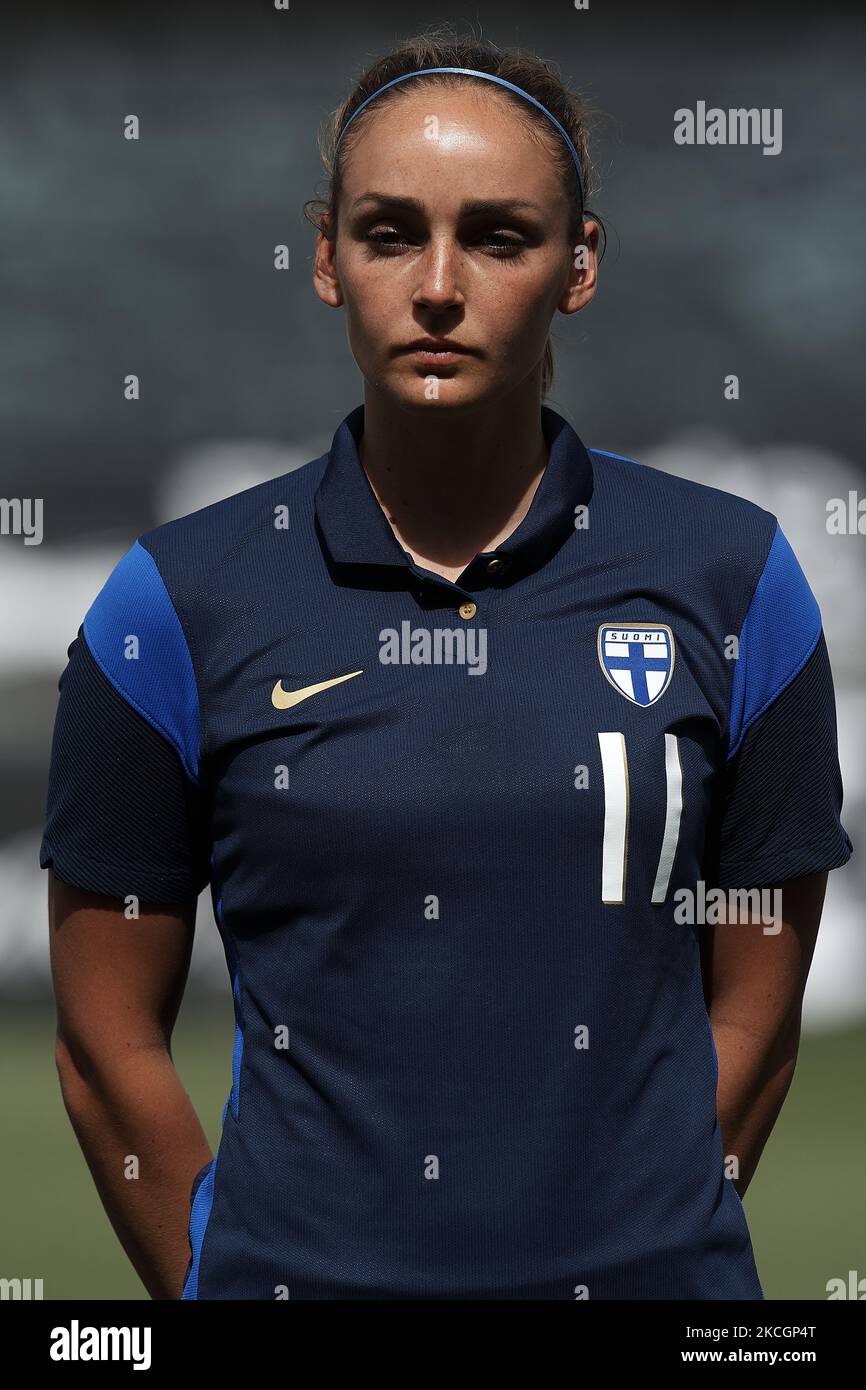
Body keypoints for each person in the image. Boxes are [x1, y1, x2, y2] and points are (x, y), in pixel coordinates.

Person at [41, 29, 853, 1300]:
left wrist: (636, 1242)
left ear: (578, 265)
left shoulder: (736, 579)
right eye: (385, 233)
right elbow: (102, 1038)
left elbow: (755, 1001)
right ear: (323, 255)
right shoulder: (172, 602)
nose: (434, 285)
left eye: (496, 236)